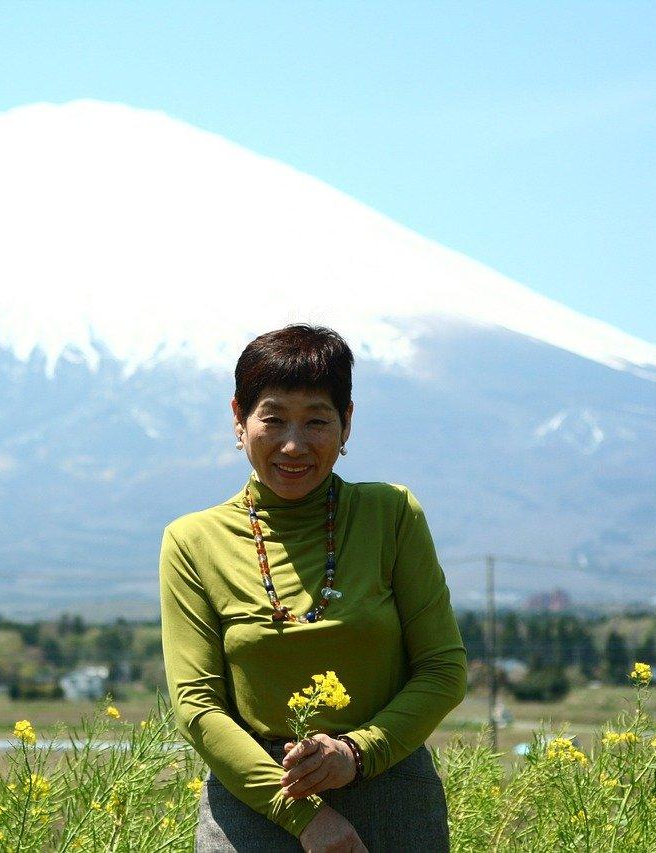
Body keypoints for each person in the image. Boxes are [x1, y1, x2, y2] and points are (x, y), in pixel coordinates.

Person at [158, 324, 468, 852]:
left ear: (347, 423)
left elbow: (443, 669)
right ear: (239, 419)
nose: (293, 445)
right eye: (273, 419)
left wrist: (355, 753)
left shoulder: (391, 515)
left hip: (392, 796)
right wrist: (305, 816)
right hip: (256, 799)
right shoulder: (193, 541)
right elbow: (197, 706)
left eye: (317, 421)